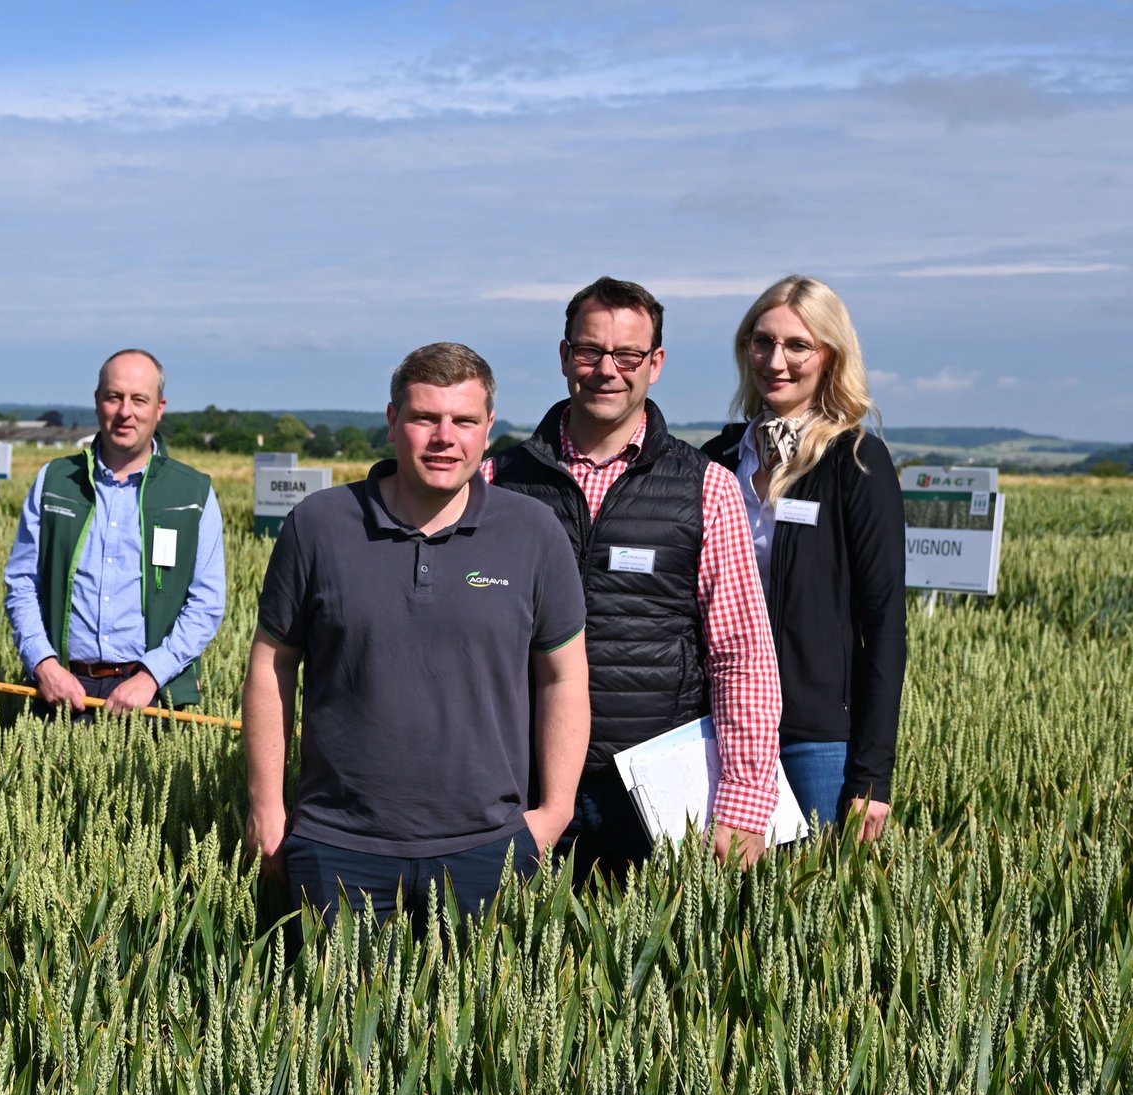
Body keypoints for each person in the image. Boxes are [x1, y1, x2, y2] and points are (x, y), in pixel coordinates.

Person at [244, 342, 589, 925]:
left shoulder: (532, 532)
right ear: (392, 421)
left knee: (480, 1019)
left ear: (487, 431)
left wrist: (553, 814)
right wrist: (267, 809)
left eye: (464, 421)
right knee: (333, 1015)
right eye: (425, 417)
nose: (444, 437)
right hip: (339, 845)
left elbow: (564, 675)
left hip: (489, 846)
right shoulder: (320, 526)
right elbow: (270, 665)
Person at [486, 276, 782, 876]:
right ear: (566, 356)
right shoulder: (497, 481)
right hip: (520, 780)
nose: (607, 370)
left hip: (655, 786)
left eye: (627, 355)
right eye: (591, 351)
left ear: (656, 363)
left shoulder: (706, 488)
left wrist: (746, 800)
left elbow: (741, 653)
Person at [701, 276, 906, 840]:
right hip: (721, 724)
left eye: (798, 346)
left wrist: (871, 775)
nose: (776, 361)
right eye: (762, 342)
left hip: (815, 736)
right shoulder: (718, 460)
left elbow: (885, 624)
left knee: (815, 913)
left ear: (830, 356)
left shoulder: (857, 463)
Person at [3, 349, 225, 717]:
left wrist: (152, 675)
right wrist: (43, 664)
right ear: (97, 402)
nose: (126, 411)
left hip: (155, 695)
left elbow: (207, 603)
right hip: (62, 689)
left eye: (139, 399)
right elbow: (23, 582)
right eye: (114, 397)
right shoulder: (54, 481)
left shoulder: (194, 493)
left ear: (159, 408)